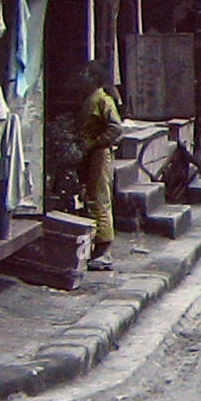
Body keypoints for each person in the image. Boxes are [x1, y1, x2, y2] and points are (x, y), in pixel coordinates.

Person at [78, 62, 123, 271]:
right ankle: (97, 245)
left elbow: (116, 128)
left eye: (85, 74)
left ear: (94, 78)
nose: (82, 78)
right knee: (93, 197)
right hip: (91, 153)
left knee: (100, 199)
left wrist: (95, 142)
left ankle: (104, 250)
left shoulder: (103, 100)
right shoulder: (90, 99)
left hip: (100, 153)